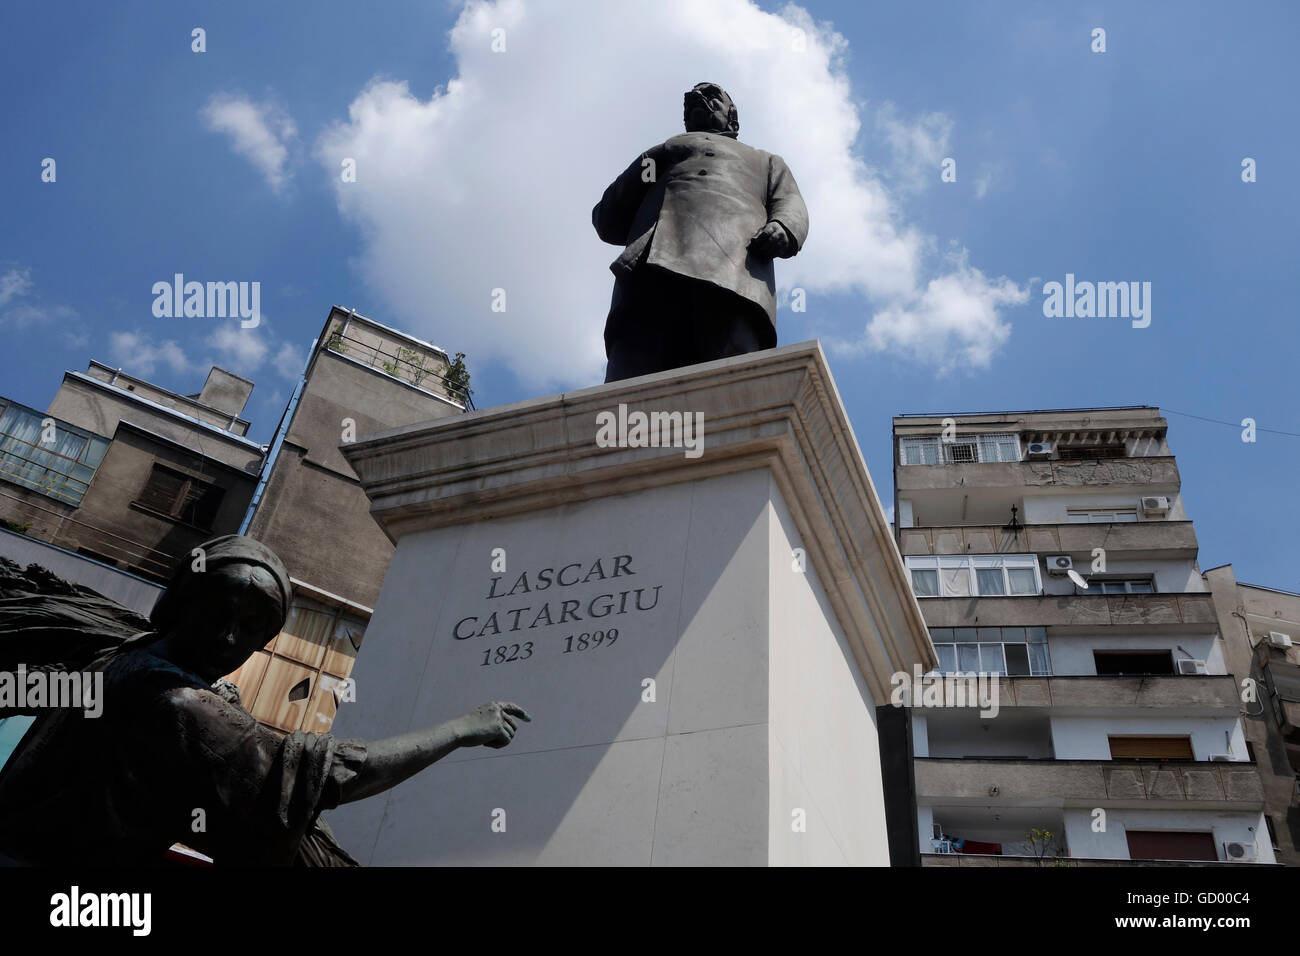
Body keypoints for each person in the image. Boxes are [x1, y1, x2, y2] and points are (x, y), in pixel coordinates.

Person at [0, 535, 529, 866]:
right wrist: (463, 728)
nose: (230, 639)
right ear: (181, 604)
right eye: (217, 614)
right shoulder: (179, 704)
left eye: (252, 628)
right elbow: (332, 775)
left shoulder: (122, 655)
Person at [593, 82, 809, 381]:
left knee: (730, 376)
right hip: (654, 269)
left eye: (712, 99)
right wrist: (653, 161)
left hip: (734, 271)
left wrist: (783, 227)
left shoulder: (765, 161)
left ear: (732, 119)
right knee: (633, 374)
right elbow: (608, 219)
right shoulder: (665, 151)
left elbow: (790, 202)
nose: (698, 100)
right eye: (692, 101)